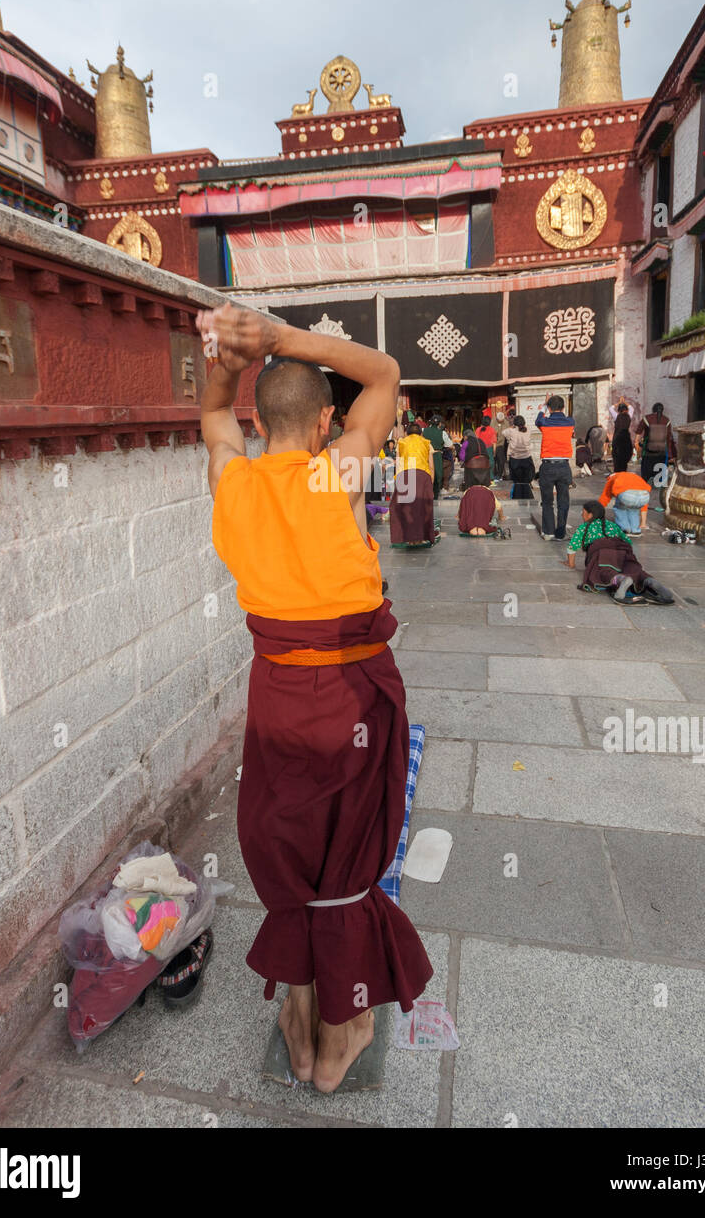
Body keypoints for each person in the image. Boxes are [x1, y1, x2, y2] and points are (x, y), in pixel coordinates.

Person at [196, 301, 432, 1093]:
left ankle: (299, 1013)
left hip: (277, 698)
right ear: (328, 421)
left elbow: (209, 414)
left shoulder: (234, 478)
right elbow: (388, 374)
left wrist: (227, 361)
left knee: (292, 851)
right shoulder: (338, 470)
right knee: (349, 861)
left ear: (258, 423)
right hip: (350, 696)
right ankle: (342, 1030)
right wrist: (273, 340)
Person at [564, 501, 673, 604]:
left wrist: (571, 564)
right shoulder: (612, 525)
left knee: (604, 571)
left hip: (601, 552)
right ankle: (647, 579)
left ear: (590, 515)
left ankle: (620, 579)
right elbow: (628, 541)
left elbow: (572, 547)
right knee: (633, 569)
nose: (582, 515)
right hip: (622, 550)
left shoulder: (585, 527)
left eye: (583, 513)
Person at [534, 394, 575, 540]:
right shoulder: (570, 422)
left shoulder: (545, 422)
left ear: (549, 408)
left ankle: (549, 532)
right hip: (564, 466)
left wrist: (544, 405)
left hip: (548, 466)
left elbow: (537, 420)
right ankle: (561, 532)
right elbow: (567, 417)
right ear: (563, 407)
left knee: (547, 501)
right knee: (563, 501)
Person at [391, 420, 436, 545]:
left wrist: (398, 480)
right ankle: (421, 537)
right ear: (421, 433)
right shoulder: (426, 443)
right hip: (423, 474)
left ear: (407, 432)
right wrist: (431, 480)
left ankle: (408, 538)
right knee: (422, 506)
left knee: (407, 507)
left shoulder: (401, 442)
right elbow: (431, 464)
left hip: (405, 474)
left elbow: (399, 463)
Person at [598, 469, 652, 536]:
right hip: (645, 496)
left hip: (628, 495)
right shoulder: (634, 477)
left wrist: (597, 512)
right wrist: (643, 523)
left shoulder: (612, 478)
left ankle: (625, 529)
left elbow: (605, 497)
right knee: (634, 509)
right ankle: (636, 530)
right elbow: (643, 506)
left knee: (620, 508)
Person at [636, 403, 676, 491]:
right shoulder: (667, 420)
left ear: (653, 409)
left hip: (648, 452)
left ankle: (644, 488)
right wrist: (670, 455)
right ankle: (658, 489)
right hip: (661, 452)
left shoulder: (646, 418)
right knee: (659, 476)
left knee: (645, 475)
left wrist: (638, 448)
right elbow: (669, 439)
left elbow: (638, 435)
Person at [504, 415, 534, 499]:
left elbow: (503, 433)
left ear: (515, 423)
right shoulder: (528, 430)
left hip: (515, 459)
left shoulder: (511, 431)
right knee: (525, 480)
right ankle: (527, 495)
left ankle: (517, 495)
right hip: (526, 458)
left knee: (517, 480)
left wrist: (512, 427)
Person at [422, 415, 446, 501]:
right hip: (437, 455)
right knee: (437, 475)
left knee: (427, 474)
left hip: (426, 455)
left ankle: (426, 494)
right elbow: (449, 445)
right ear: (439, 423)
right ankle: (435, 496)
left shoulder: (423, 431)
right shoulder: (442, 433)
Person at [610, 406, 634, 473]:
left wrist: (618, 403)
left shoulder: (616, 416)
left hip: (617, 436)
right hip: (626, 437)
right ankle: (623, 473)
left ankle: (617, 474)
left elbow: (610, 409)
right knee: (625, 458)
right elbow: (631, 408)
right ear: (626, 410)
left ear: (619, 411)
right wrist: (624, 402)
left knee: (617, 459)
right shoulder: (629, 415)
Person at [440, 424, 456, 492]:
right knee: (447, 473)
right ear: (445, 429)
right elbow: (451, 446)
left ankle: (442, 487)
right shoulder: (445, 435)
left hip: (441, 456)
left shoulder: (438, 434)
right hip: (447, 456)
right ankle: (445, 488)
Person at [494, 412, 507, 482]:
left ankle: (499, 475)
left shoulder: (506, 422)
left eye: (501, 421)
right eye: (499, 421)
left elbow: (507, 432)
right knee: (493, 460)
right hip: (493, 444)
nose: (500, 422)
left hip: (501, 444)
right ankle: (495, 474)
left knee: (501, 461)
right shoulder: (493, 422)